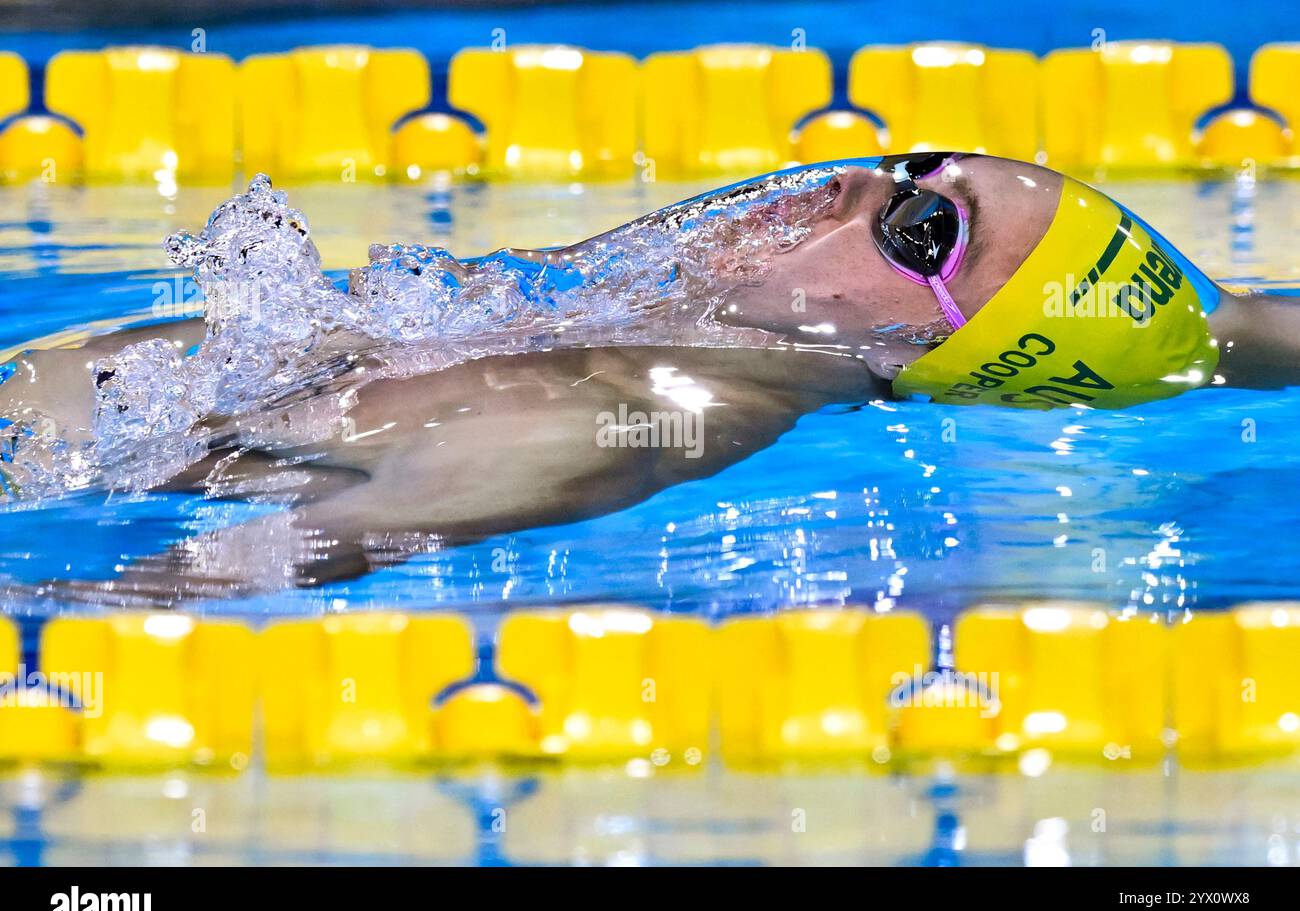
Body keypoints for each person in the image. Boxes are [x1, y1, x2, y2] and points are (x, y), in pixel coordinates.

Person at [1, 153, 1296, 603]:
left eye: (919, 233)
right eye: (914, 170)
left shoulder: (619, 421)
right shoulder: (586, 332)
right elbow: (1239, 331)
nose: (854, 187)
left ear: (927, 352)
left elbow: (202, 578)